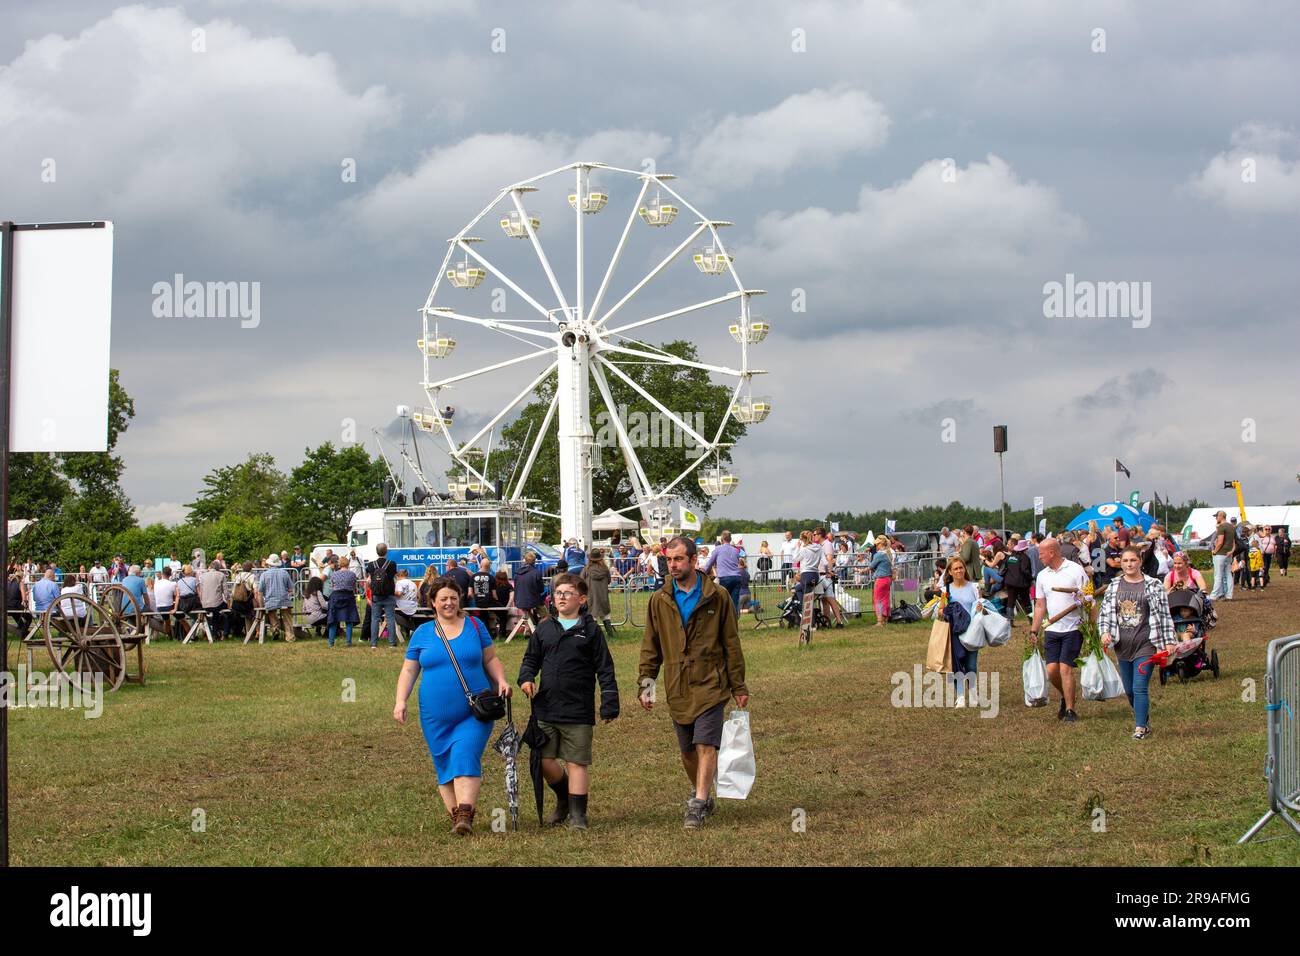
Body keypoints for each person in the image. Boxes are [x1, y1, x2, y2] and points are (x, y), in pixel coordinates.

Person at [638, 536, 749, 829]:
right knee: (687, 750)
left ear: (693, 560)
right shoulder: (659, 599)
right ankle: (704, 792)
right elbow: (651, 646)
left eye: (678, 560)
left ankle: (698, 803)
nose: (672, 565)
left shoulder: (718, 595)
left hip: (711, 683)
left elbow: (731, 643)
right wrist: (646, 685)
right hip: (677, 685)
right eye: (669, 560)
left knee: (705, 743)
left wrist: (738, 685)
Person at [394, 577, 511, 836]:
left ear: (460, 600)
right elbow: (409, 670)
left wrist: (501, 680)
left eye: (453, 598)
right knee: (444, 761)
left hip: (474, 710)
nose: (449, 603)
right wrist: (401, 701)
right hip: (434, 715)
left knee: (464, 754)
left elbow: (490, 658)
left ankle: (466, 812)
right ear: (433, 602)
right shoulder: (422, 633)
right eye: (443, 599)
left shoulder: (474, 625)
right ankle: (457, 817)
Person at [518, 573, 620, 830]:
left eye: (567, 593)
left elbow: (605, 669)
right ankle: (564, 797)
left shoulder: (591, 631)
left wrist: (609, 702)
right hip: (547, 707)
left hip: (578, 709)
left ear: (582, 599)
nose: (561, 598)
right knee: (543, 760)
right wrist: (526, 678)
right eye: (557, 593)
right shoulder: (544, 628)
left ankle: (577, 814)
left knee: (576, 762)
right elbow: (530, 660)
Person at [1098, 546, 1178, 739]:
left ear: (1140, 562)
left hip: (1146, 643)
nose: (1129, 564)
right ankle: (1144, 718)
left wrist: (1169, 641)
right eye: (1125, 561)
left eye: (1133, 560)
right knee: (1129, 690)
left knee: (1139, 687)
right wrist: (1104, 632)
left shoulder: (1154, 585)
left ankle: (1140, 728)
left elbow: (1164, 615)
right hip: (1122, 645)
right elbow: (1105, 613)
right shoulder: (1114, 586)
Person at [1029, 538, 1092, 723]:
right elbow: (1040, 605)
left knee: (1065, 668)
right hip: (1052, 628)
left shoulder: (1075, 569)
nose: (1039, 556)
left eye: (1041, 553)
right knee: (1051, 671)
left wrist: (1084, 602)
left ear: (1052, 552)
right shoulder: (1043, 576)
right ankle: (1066, 695)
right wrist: (1034, 630)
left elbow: (1089, 596)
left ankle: (1071, 710)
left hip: (1073, 627)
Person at [943, 557, 983, 706]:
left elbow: (982, 604)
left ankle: (973, 693)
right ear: (950, 572)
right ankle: (960, 696)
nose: (959, 571)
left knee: (971, 665)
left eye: (961, 567)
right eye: (956, 568)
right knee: (955, 664)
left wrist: (981, 608)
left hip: (972, 631)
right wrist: (944, 611)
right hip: (954, 633)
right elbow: (940, 610)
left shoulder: (974, 587)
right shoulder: (946, 590)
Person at [700, 530, 744, 617]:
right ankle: (734, 622)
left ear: (722, 540)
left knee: (722, 600)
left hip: (725, 577)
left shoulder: (718, 549)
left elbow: (709, 564)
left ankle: (723, 620)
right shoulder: (736, 550)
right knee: (734, 601)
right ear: (730, 539)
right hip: (737, 577)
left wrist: (703, 572)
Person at [368, 543, 399, 649]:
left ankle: (373, 643)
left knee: (375, 619)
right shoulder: (392, 564)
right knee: (390, 618)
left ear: (377, 551)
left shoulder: (371, 565)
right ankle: (392, 643)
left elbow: (370, 579)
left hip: (376, 595)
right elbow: (393, 578)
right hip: (389, 594)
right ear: (386, 551)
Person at [580, 549, 616, 640]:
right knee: (606, 616)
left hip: (591, 596)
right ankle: (610, 635)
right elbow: (608, 581)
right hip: (603, 595)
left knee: (593, 617)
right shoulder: (605, 569)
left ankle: (594, 636)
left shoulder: (587, 569)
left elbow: (581, 581)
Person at [326, 556, 360, 647]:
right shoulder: (352, 574)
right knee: (349, 620)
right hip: (348, 596)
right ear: (348, 564)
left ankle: (331, 643)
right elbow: (354, 587)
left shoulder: (334, 574)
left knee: (333, 620)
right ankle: (348, 642)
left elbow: (332, 587)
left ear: (339, 564)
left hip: (336, 597)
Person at [1001, 539, 1035, 624]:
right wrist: (1031, 579)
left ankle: (1010, 621)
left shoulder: (1010, 557)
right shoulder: (1025, 558)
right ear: (1025, 549)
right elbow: (1024, 570)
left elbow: (1004, 569)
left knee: (1010, 601)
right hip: (1021, 583)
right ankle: (1031, 620)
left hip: (1010, 582)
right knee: (1026, 601)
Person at [513, 552, 546, 628]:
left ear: (525, 561)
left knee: (527, 611)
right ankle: (544, 628)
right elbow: (541, 589)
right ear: (534, 561)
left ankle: (529, 630)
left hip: (519, 601)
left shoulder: (517, 573)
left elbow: (516, 587)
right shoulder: (536, 573)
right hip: (532, 600)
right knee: (545, 614)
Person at [1208, 510, 1235, 601]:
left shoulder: (1221, 527)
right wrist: (1232, 551)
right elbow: (1234, 542)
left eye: (1217, 516)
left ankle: (1214, 595)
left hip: (1220, 554)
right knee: (1228, 575)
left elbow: (1220, 542)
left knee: (1218, 575)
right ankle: (1229, 595)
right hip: (1229, 554)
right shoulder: (1231, 527)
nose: (1216, 518)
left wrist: (1214, 551)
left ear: (1221, 516)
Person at [198, 560, 229, 640]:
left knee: (216, 614)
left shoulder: (202, 576)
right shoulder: (221, 575)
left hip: (205, 604)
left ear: (210, 567)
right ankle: (225, 633)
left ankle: (215, 634)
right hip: (217, 604)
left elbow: (201, 591)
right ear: (218, 568)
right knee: (229, 613)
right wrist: (228, 601)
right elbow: (226, 592)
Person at [229, 561, 258, 640]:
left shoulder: (238, 576)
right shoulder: (252, 576)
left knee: (244, 614)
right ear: (251, 568)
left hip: (236, 604)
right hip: (246, 604)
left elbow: (233, 591)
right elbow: (255, 591)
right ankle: (253, 633)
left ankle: (246, 633)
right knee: (255, 612)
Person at [870, 535, 893, 628]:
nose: (875, 546)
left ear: (880, 544)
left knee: (878, 600)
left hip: (880, 579)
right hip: (888, 579)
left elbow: (871, 566)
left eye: (876, 544)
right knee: (885, 599)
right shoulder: (888, 553)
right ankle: (885, 619)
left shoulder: (879, 554)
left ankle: (879, 621)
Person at [394, 568, 421, 640]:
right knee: (405, 616)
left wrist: (390, 592)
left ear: (399, 575)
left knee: (390, 613)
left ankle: (411, 629)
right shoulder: (413, 583)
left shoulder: (399, 583)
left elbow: (399, 593)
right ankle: (407, 632)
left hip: (402, 607)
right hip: (413, 607)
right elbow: (418, 596)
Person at [152, 566, 179, 639]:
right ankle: (189, 636)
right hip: (168, 607)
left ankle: (170, 636)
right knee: (182, 618)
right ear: (170, 575)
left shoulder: (156, 583)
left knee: (167, 621)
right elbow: (176, 596)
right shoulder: (172, 584)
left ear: (162, 574)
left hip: (159, 607)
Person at [488, 570, 513, 639]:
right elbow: (511, 598)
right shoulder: (509, 586)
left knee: (501, 615)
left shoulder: (493, 586)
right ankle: (502, 634)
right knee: (504, 615)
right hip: (503, 608)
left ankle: (494, 632)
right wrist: (507, 607)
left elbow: (493, 597)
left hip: (494, 608)